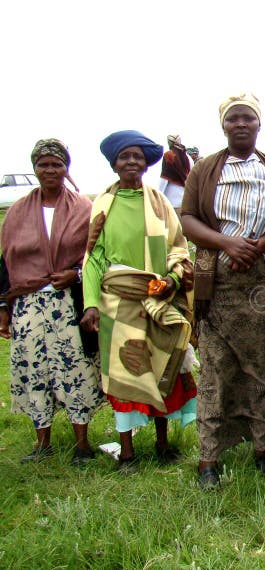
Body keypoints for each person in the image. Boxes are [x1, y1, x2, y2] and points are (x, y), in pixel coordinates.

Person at [180, 93, 265, 489]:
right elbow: (188, 218)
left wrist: (257, 245)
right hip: (219, 282)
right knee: (216, 368)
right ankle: (208, 459)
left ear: (259, 125)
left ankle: (264, 451)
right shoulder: (204, 170)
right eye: (233, 119)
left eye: (248, 119)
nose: (240, 124)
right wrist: (227, 243)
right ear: (223, 125)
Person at [82, 130, 196, 472]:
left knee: (162, 367)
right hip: (119, 304)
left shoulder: (160, 203)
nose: (131, 162)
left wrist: (173, 281)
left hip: (160, 298)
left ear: (147, 163)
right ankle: (128, 452)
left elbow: (179, 248)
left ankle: (163, 443)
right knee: (123, 372)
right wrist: (90, 304)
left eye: (137, 157)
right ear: (114, 163)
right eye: (124, 157)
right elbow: (94, 257)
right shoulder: (104, 204)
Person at [0, 139, 103, 465]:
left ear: (66, 168)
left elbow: (94, 255)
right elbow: (5, 262)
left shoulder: (83, 208)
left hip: (68, 303)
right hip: (29, 304)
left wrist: (74, 274)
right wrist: (3, 308)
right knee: (35, 371)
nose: (50, 170)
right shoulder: (18, 211)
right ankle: (41, 442)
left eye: (56, 164)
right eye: (43, 164)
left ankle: (82, 444)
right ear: (35, 168)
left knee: (75, 370)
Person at [159, 134, 192, 214]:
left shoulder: (168, 155)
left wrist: (158, 196)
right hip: (185, 198)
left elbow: (164, 177)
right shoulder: (188, 157)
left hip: (171, 200)